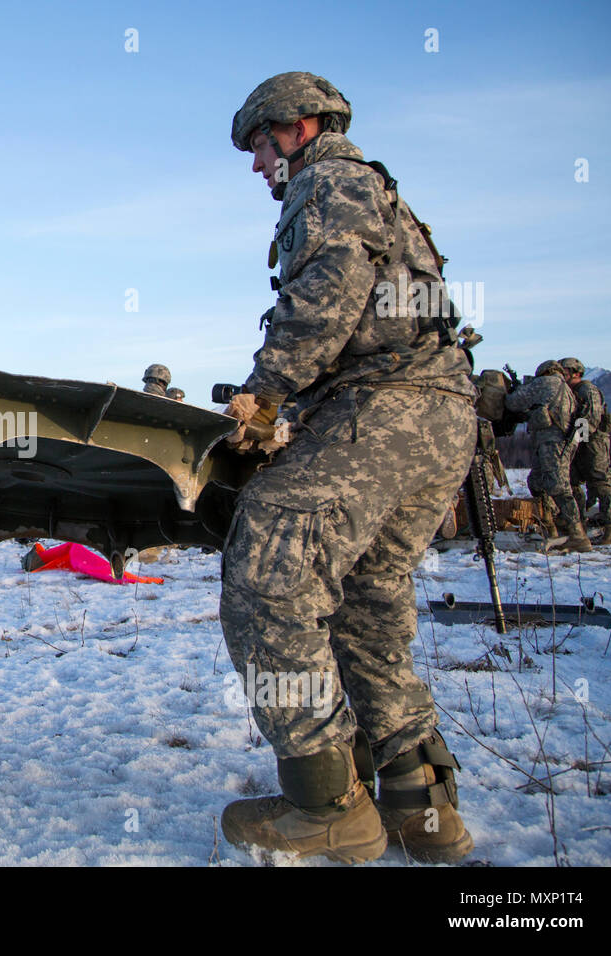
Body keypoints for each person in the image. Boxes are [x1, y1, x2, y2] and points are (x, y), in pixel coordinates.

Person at [217, 73, 477, 863]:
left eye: (260, 145)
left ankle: (325, 802)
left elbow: (328, 297)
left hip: (384, 407)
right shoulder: (375, 189)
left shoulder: (326, 179)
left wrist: (264, 396)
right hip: (438, 413)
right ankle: (422, 810)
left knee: (266, 573)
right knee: (369, 600)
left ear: (296, 128)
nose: (258, 165)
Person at [505, 361, 591, 552]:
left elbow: (513, 402)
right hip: (558, 442)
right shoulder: (565, 388)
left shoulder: (547, 382)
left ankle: (577, 535)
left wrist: (517, 391)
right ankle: (550, 525)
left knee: (558, 486)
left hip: (553, 442)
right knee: (536, 482)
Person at [559, 357, 611, 545]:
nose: (562, 375)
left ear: (576, 373)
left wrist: (577, 440)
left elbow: (591, 418)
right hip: (578, 442)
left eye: (565, 372)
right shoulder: (569, 392)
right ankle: (579, 526)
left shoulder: (587, 390)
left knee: (600, 482)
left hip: (593, 443)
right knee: (572, 482)